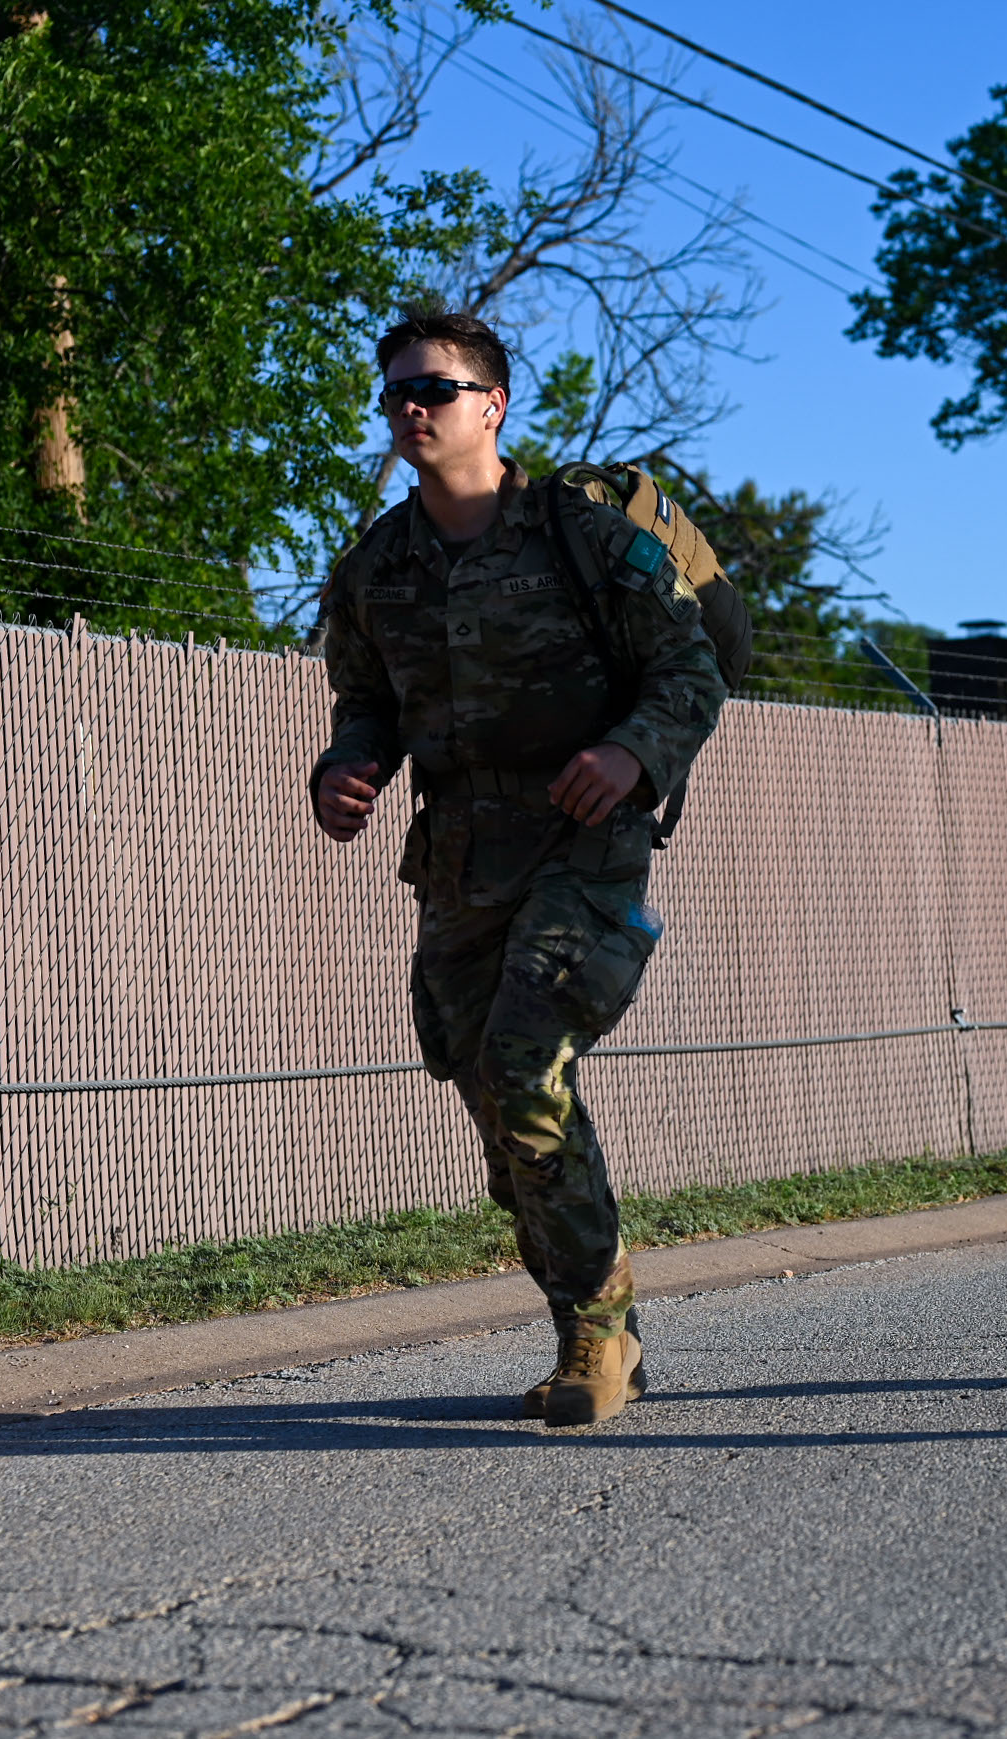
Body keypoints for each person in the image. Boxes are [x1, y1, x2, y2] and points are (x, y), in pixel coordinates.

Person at [312, 311, 727, 1426]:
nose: (411, 409)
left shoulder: (578, 535)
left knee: (523, 1064)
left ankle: (596, 1335)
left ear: (492, 405)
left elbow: (690, 672)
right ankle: (591, 1322)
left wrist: (630, 751)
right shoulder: (376, 567)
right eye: (395, 394)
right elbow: (367, 706)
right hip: (458, 851)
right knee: (491, 1099)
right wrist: (344, 772)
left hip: (582, 833)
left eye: (434, 390)